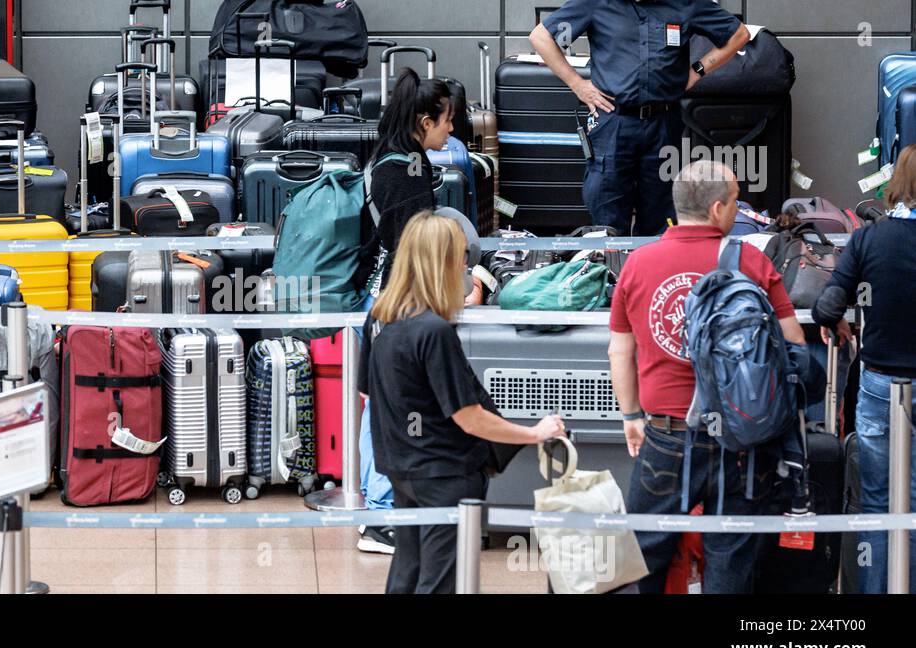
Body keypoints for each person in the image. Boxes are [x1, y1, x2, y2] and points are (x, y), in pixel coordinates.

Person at [607, 160, 807, 593]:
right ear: (717, 209)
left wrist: (630, 416)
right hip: (742, 441)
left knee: (641, 561)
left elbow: (619, 350)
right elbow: (794, 344)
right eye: (735, 201)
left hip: (666, 436)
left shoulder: (638, 263)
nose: (738, 209)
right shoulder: (750, 261)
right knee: (731, 564)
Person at [359, 211, 566, 593]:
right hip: (444, 471)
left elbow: (368, 392)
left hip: (401, 466)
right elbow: (470, 418)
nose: (465, 268)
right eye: (460, 258)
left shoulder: (380, 317)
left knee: (407, 568)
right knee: (440, 578)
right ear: (441, 263)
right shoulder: (434, 332)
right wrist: (534, 433)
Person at [355, 69, 485, 554]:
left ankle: (381, 511)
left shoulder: (394, 157)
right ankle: (380, 517)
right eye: (446, 121)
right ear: (424, 121)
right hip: (394, 302)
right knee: (389, 410)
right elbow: (411, 250)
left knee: (383, 406)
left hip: (384, 301)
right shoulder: (403, 170)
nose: (451, 130)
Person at [529, 0, 751, 235]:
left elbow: (739, 34)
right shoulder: (595, 3)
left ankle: (655, 258)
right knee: (607, 215)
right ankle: (612, 259)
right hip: (613, 121)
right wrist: (577, 84)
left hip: (664, 123)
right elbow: (541, 37)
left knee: (662, 214)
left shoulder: (686, 4)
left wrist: (697, 72)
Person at [813, 144, 916, 593]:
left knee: (876, 499)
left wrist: (838, 321)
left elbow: (826, 307)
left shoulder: (868, 239)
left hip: (878, 385)